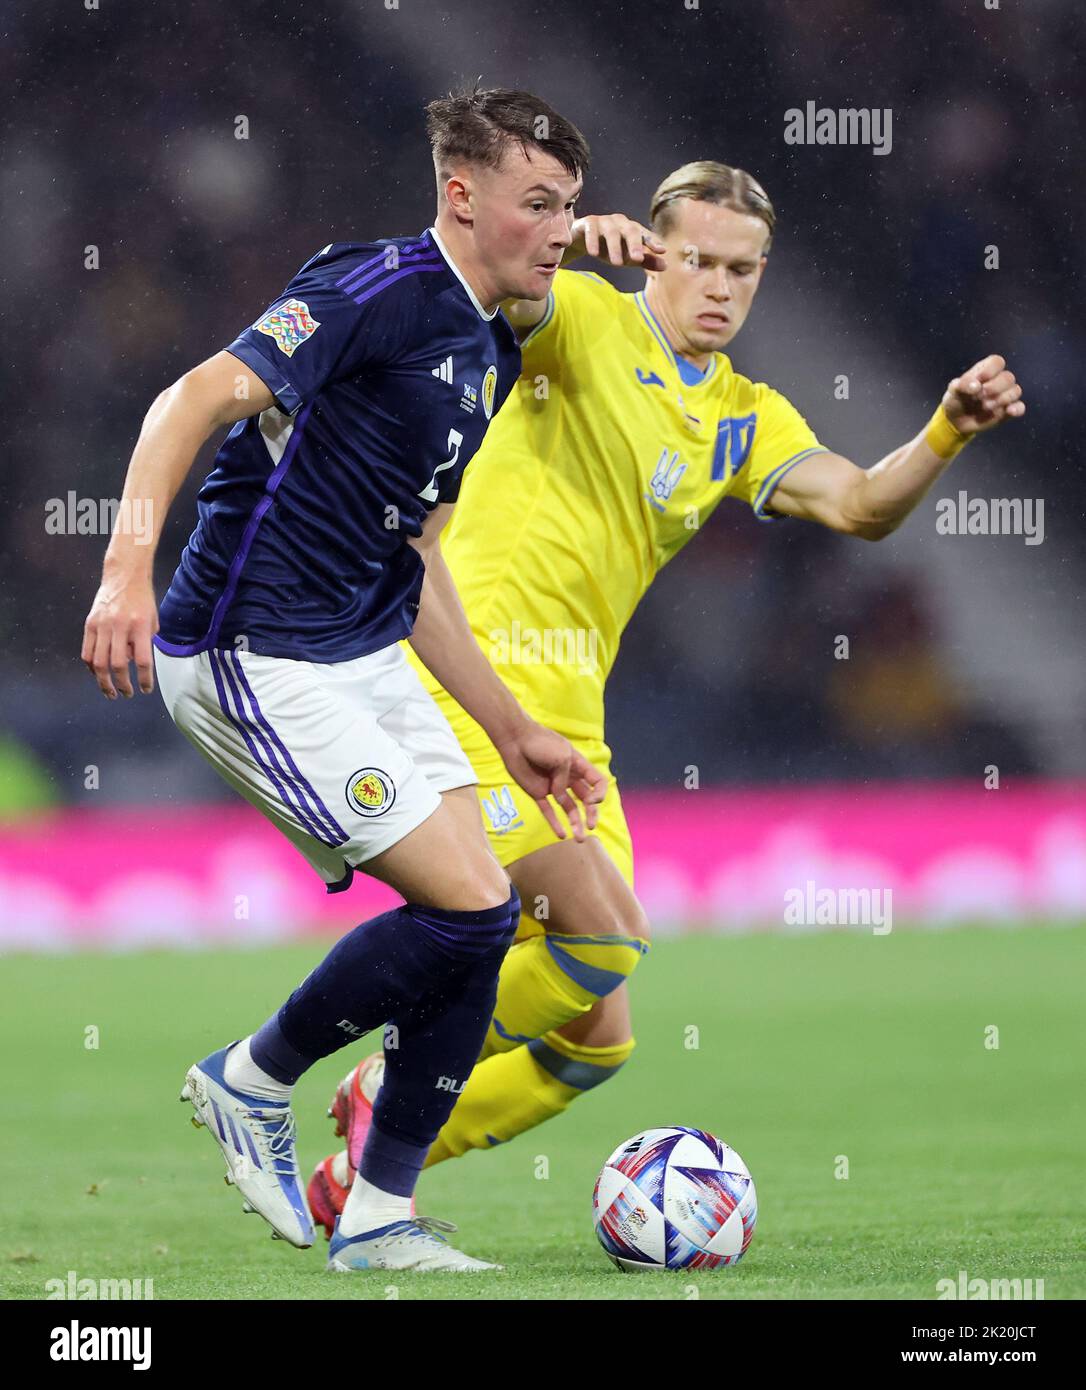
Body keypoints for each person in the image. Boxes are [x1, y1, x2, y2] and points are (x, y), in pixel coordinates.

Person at [307, 160, 1026, 1235]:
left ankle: (357, 1188)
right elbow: (481, 282)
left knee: (596, 1040)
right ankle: (376, 1093)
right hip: (466, 686)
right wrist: (559, 239)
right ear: (656, 250)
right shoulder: (578, 324)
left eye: (742, 269)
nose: (719, 285)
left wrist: (946, 430)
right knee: (600, 939)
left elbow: (863, 505)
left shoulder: (743, 414)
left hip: (571, 726)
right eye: (696, 258)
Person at [80, 86, 607, 1274]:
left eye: (571, 206)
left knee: (483, 920)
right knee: (468, 909)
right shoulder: (373, 290)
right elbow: (193, 398)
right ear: (460, 196)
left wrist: (512, 725)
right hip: (249, 649)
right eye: (539, 203)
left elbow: (413, 557)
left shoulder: (489, 339)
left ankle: (377, 1219)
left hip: (360, 645)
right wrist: (126, 569)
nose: (562, 229)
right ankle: (251, 1075)